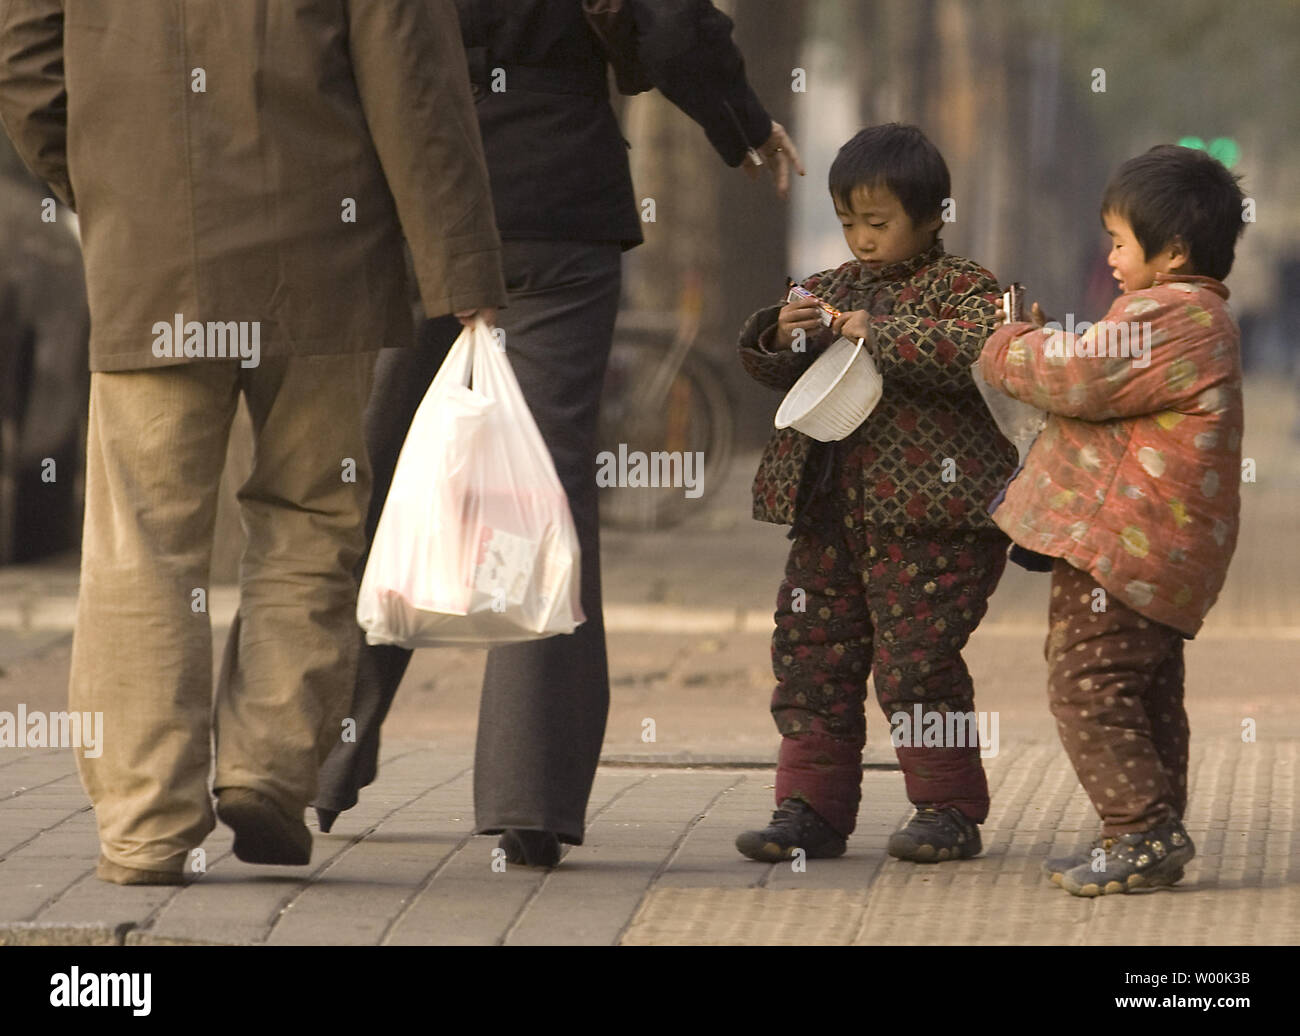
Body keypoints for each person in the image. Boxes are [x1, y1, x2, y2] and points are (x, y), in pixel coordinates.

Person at [0, 0, 505, 884]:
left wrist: (104, 180)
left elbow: (25, 50)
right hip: (324, 243)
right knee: (311, 510)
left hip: (151, 246)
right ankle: (269, 768)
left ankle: (146, 823)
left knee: (142, 542)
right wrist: (460, 263)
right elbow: (411, 67)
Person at [313, 0, 804, 868]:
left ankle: (312, 754)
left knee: (365, 480)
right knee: (544, 490)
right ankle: (528, 798)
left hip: (409, 191)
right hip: (552, 204)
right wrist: (743, 122)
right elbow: (676, 27)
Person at [734, 123, 1018, 865]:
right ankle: (809, 809)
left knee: (916, 664)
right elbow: (773, 370)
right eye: (849, 222)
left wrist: (883, 332)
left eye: (879, 223)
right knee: (811, 655)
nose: (862, 239)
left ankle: (947, 808)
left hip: (936, 524)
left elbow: (979, 352)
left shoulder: (965, 288)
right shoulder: (825, 289)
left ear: (930, 219)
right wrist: (782, 334)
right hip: (829, 516)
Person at [979, 144, 1247, 896]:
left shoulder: (1173, 315)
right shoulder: (1201, 319)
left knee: (1085, 683)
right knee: (1145, 690)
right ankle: (1149, 829)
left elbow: (1083, 378)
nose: (1112, 255)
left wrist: (1008, 347)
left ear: (1174, 252)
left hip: (1125, 551)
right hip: (1165, 558)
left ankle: (1139, 828)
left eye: (1121, 241)